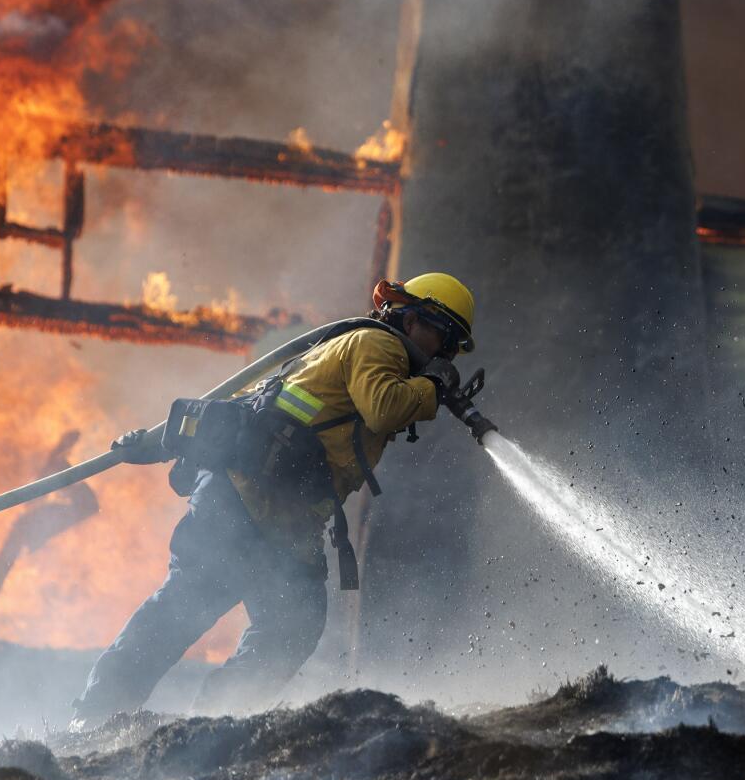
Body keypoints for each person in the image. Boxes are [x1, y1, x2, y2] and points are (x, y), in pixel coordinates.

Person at [69, 272, 477, 726]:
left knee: (289, 627)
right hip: (243, 503)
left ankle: (210, 724)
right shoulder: (378, 346)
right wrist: (434, 387)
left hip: (281, 519)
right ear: (410, 317)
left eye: (451, 349)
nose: (442, 354)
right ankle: (93, 719)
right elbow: (384, 407)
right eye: (443, 338)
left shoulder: (369, 356)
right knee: (187, 607)